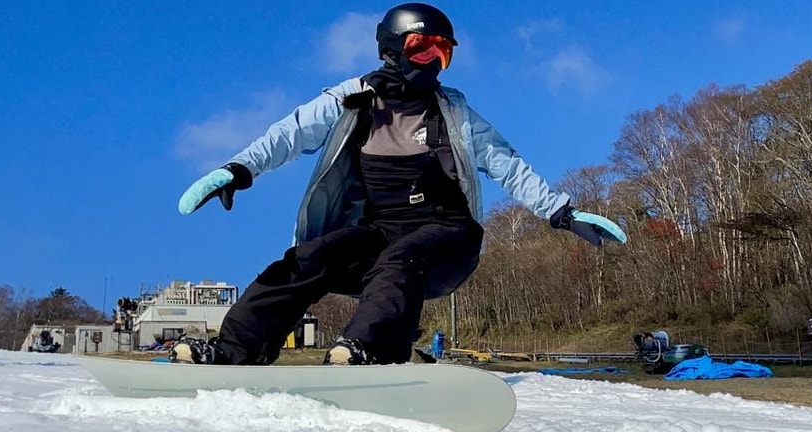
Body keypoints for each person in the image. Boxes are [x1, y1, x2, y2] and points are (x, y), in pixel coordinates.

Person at [171, 3, 626, 366]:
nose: (433, 62)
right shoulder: (352, 101)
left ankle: (370, 348)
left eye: (443, 53)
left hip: (448, 234)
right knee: (308, 257)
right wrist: (237, 170)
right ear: (392, 49)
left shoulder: (454, 113)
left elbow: (509, 166)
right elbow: (289, 134)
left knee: (400, 258)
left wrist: (561, 213)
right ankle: (234, 349)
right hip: (382, 230)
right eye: (422, 48)